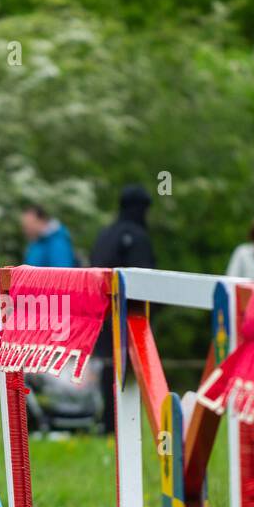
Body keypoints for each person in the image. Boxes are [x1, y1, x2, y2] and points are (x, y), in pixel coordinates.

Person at [91, 184, 157, 432]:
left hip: (102, 312)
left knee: (109, 365)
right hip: (130, 316)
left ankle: (109, 422)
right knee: (131, 367)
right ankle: (124, 425)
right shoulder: (137, 237)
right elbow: (145, 279)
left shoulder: (105, 234)